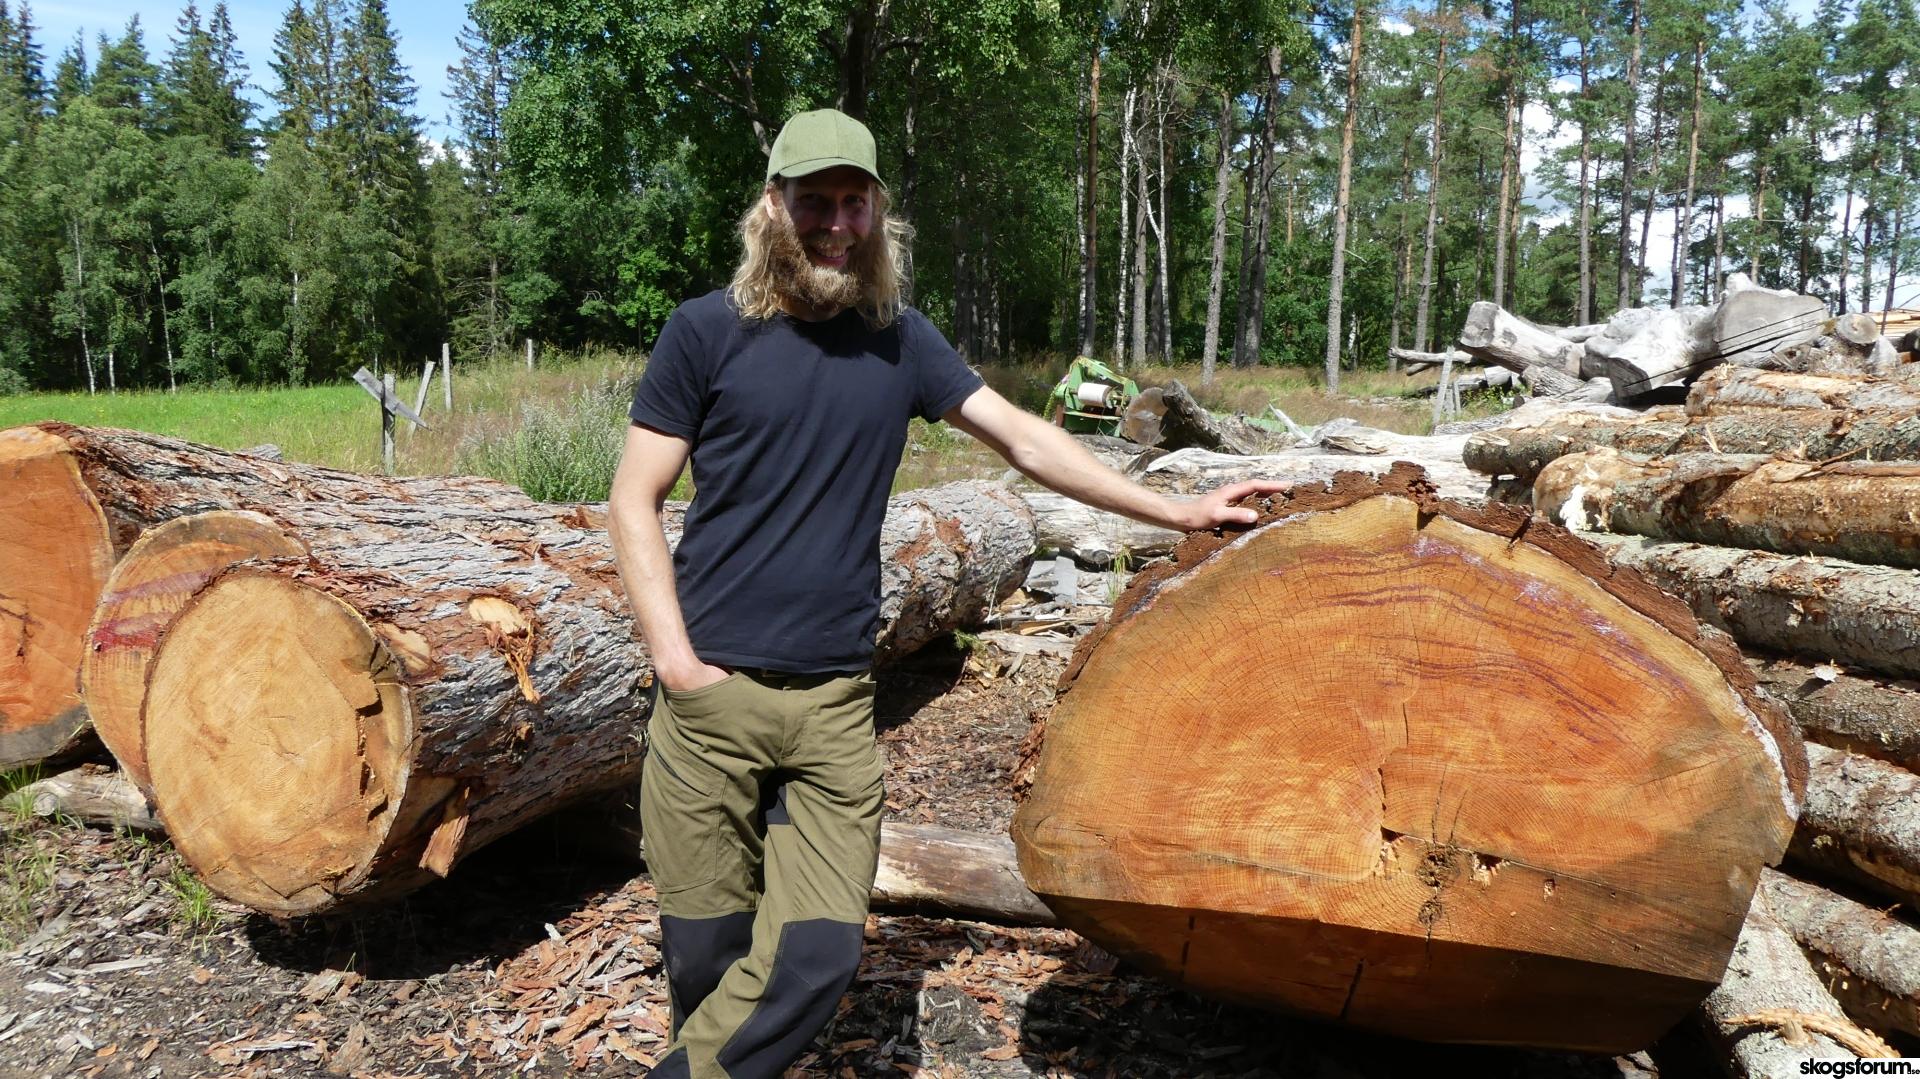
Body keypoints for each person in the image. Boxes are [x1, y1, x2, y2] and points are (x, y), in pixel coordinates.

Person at [607, 107, 1286, 1079]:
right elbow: (634, 500)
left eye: (855, 202)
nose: (837, 222)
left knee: (815, 955)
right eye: (815, 201)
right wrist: (677, 663)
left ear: (879, 211)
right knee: (707, 961)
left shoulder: (901, 342)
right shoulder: (705, 333)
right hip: (709, 700)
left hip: (835, 710)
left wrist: (1174, 510)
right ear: (773, 206)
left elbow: (1024, 437)